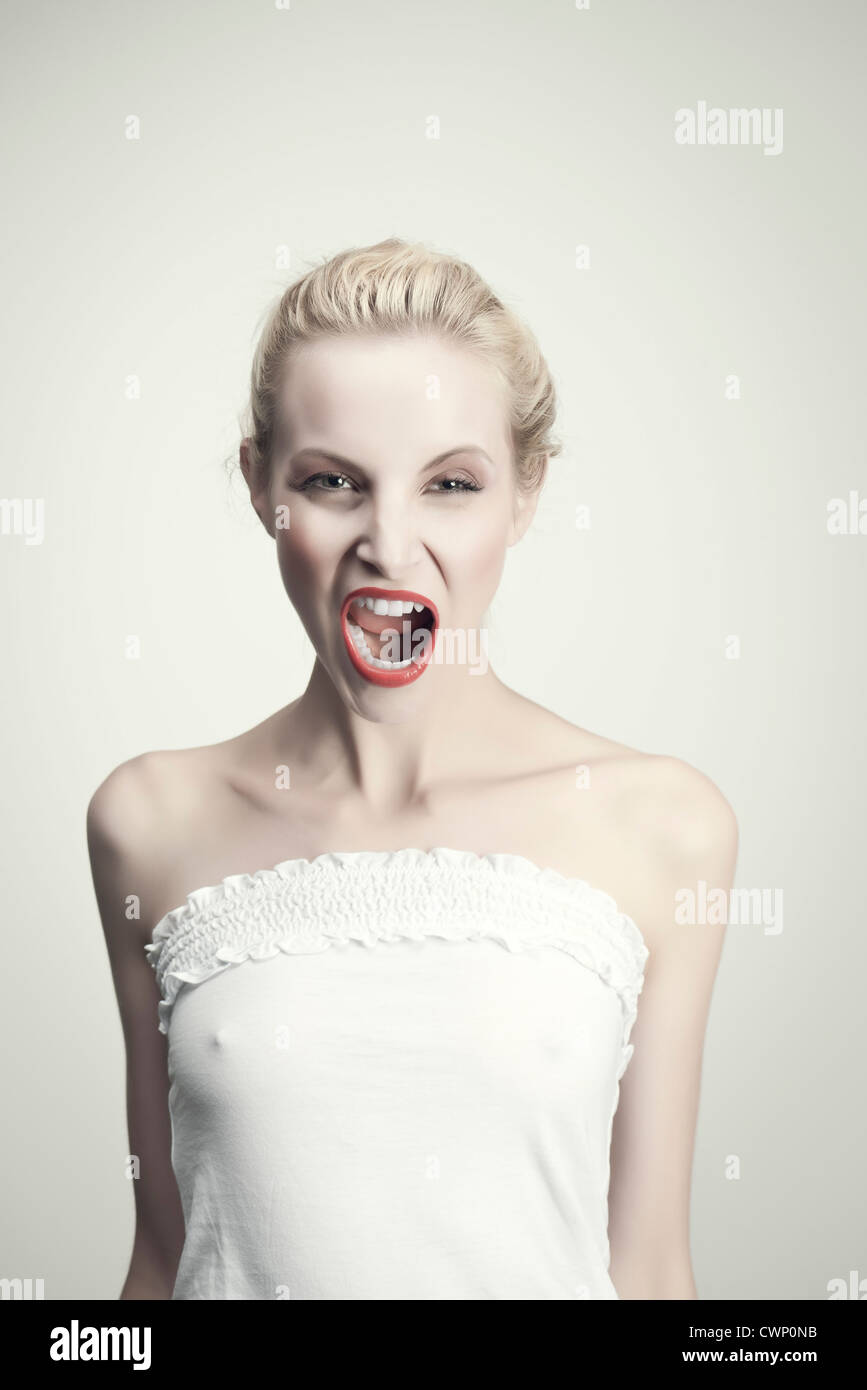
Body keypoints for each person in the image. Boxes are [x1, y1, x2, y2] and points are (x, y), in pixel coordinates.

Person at [87, 237, 738, 1300]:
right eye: (333, 481)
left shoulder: (661, 827)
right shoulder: (149, 820)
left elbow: (654, 1269)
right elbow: (162, 1259)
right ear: (262, 489)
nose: (390, 545)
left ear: (525, 494)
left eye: (450, 484)